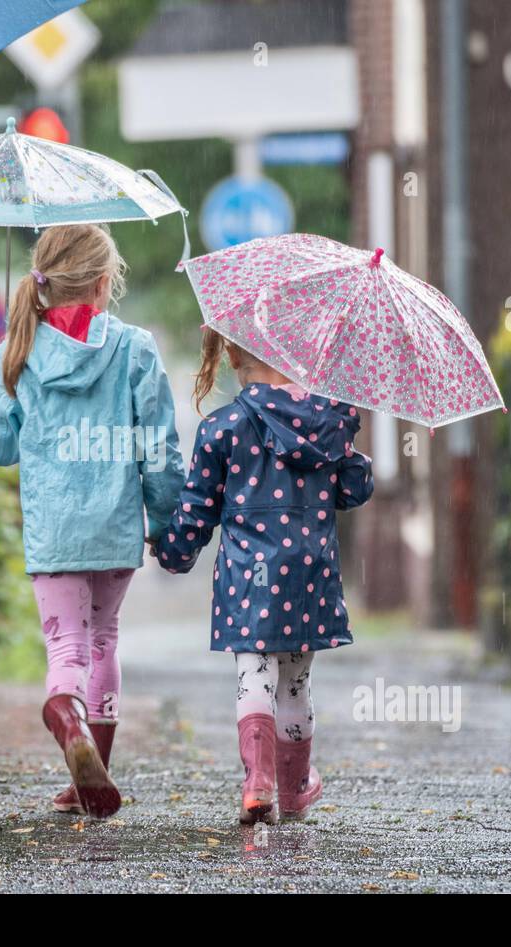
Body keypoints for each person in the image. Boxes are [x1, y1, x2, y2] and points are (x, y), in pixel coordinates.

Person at [0, 224, 184, 818]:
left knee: (66, 647)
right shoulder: (135, 349)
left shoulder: (16, 353)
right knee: (104, 641)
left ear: (41, 284)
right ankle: (93, 770)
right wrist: (167, 522)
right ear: (101, 283)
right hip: (115, 529)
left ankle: (67, 721)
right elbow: (161, 447)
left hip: (56, 532)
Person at [153, 329, 374, 823]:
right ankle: (295, 788)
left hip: (248, 578)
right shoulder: (328, 423)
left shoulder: (222, 427)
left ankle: (258, 781)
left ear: (231, 353)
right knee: (295, 682)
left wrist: (173, 553)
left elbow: (196, 511)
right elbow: (355, 492)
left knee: (255, 674)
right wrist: (350, 444)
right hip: (311, 575)